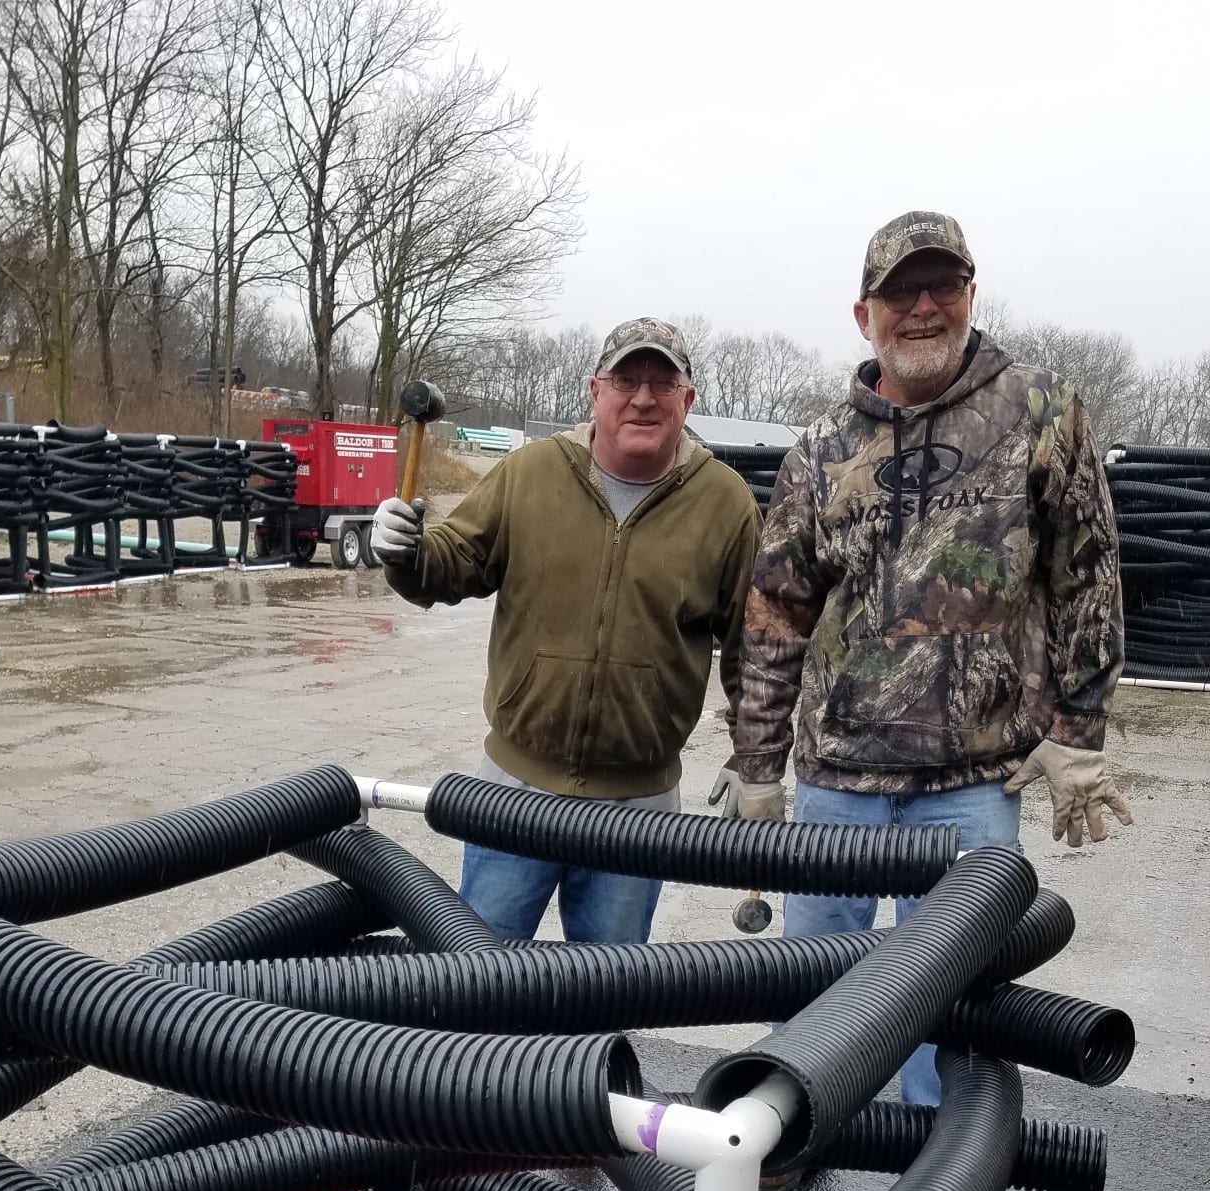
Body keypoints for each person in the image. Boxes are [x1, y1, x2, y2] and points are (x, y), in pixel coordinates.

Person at [729, 210, 1133, 1103]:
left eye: (941, 286)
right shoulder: (823, 447)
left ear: (970, 295)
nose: (923, 307)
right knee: (816, 993)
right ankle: (795, 1142)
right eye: (900, 291)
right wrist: (756, 768)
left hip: (977, 784)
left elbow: (1089, 578)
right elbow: (776, 614)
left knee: (957, 1005)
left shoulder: (1038, 411)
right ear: (863, 312)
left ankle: (941, 1189)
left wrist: (1077, 733)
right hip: (837, 779)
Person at [370, 319, 760, 942]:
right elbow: (450, 565)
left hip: (639, 809)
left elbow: (755, 647)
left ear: (687, 401)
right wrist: (405, 551)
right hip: (513, 791)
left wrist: (755, 758)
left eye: (663, 384)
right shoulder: (529, 473)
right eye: (625, 380)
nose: (642, 398)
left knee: (604, 994)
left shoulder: (726, 502)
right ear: (594, 391)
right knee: (479, 983)